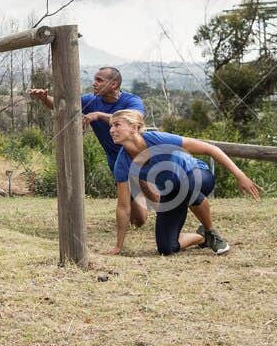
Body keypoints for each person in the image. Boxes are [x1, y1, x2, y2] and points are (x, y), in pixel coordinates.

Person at [105, 109, 261, 256]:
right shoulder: (122, 163)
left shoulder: (157, 139)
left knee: (185, 185)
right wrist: (119, 246)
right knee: (166, 248)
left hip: (198, 175)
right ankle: (201, 238)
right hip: (173, 193)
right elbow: (123, 207)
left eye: (117, 125)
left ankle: (210, 232)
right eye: (111, 126)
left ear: (133, 127)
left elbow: (210, 149)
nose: (111, 130)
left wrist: (240, 175)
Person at [29, 65, 148, 235]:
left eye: (99, 80)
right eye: (94, 79)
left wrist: (99, 115)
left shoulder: (131, 101)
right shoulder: (90, 100)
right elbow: (60, 105)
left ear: (114, 84)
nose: (94, 83)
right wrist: (44, 98)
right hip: (116, 159)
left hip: (138, 155)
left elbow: (135, 119)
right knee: (139, 221)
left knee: (159, 192)